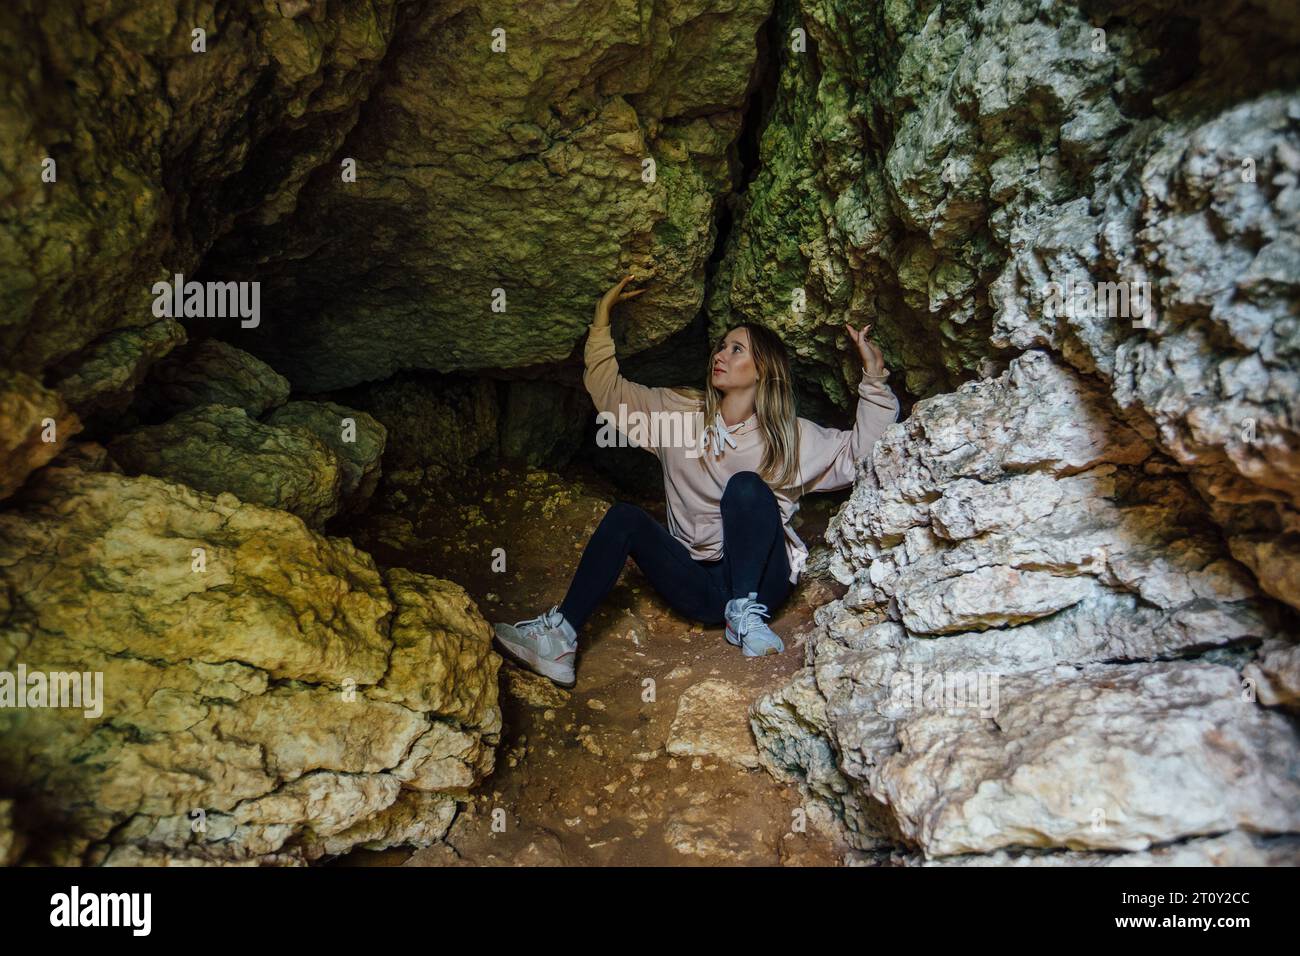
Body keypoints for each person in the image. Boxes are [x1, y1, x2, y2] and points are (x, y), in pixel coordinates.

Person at [493, 274, 900, 687]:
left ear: (761, 369)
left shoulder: (789, 436)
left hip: (761, 583)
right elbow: (609, 392)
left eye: (736, 349)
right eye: (721, 346)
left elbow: (862, 454)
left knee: (745, 486)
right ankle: (561, 637)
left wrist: (874, 379)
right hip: (701, 588)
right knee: (625, 519)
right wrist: (601, 320)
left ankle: (744, 616)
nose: (721, 354)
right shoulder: (679, 416)